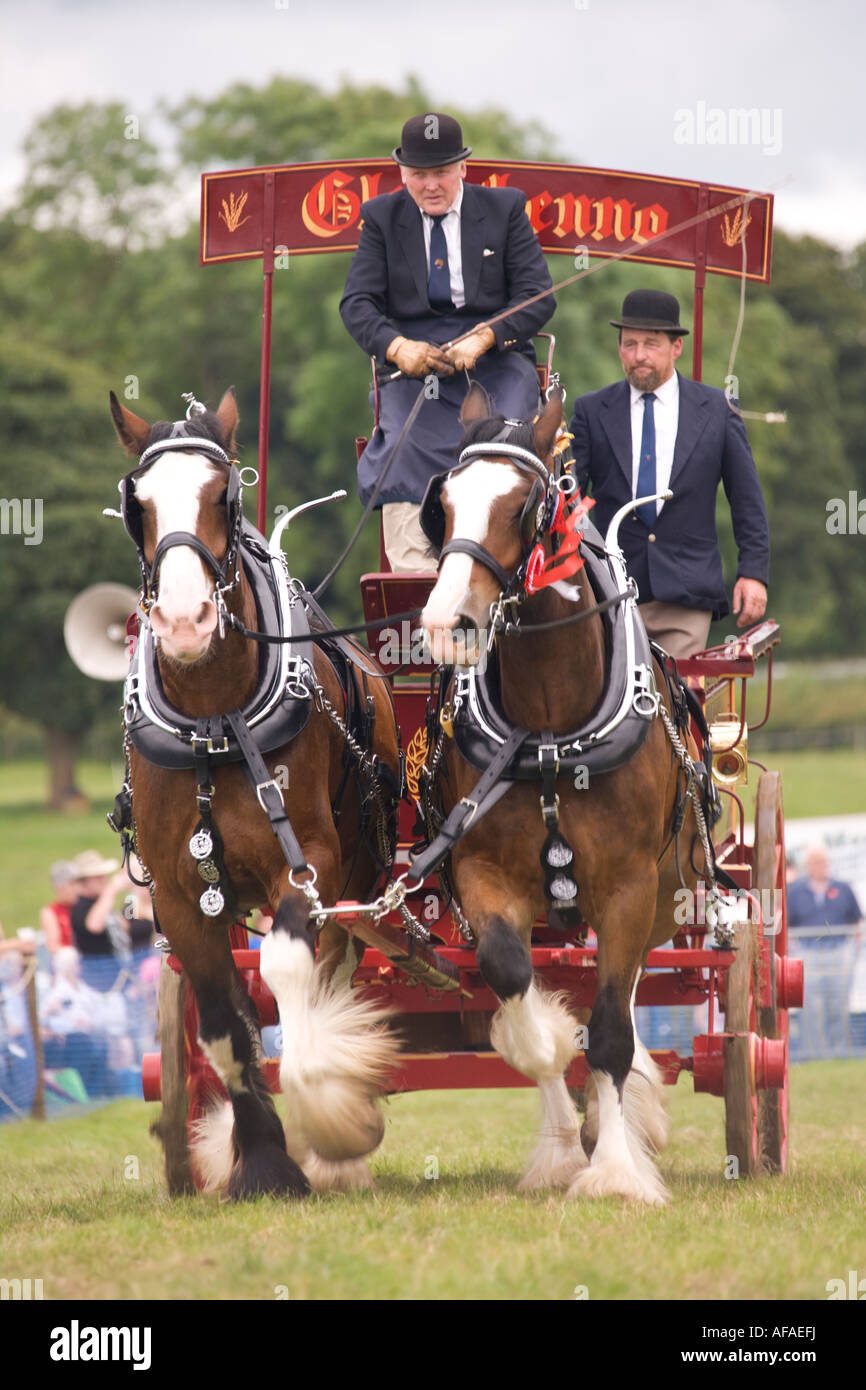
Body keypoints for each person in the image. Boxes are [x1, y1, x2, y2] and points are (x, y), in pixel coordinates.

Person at [340, 112, 555, 571]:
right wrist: (399, 347)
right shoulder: (380, 218)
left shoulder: (506, 209)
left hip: (495, 359)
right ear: (402, 173)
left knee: (505, 437)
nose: (430, 185)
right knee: (403, 442)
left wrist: (485, 337)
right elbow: (357, 304)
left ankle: (509, 563)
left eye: (441, 172)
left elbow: (537, 295)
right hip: (414, 367)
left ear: (463, 168)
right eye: (419, 174)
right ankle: (416, 576)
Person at [569, 289, 770, 659]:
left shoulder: (719, 410)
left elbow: (746, 500)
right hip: (608, 593)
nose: (639, 355)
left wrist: (753, 573)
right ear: (619, 348)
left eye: (651, 343)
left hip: (687, 593)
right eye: (629, 344)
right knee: (613, 709)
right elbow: (570, 504)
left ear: (676, 348)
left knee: (672, 705)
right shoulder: (590, 411)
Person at [787, 844, 862, 1056]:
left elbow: (857, 921)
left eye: (825, 862)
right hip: (809, 953)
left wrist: (853, 950)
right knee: (811, 1006)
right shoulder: (795, 892)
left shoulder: (843, 889)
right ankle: (814, 1054)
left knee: (838, 1003)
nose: (823, 867)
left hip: (839, 952)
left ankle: (840, 1052)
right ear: (808, 866)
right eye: (818, 863)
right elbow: (787, 925)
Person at [68, 850, 127, 991]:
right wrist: (111, 891)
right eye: (98, 877)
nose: (104, 880)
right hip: (97, 983)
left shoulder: (99, 903)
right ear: (83, 882)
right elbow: (95, 925)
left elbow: (124, 926)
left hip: (116, 978)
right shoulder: (81, 907)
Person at [39, 860, 79, 953]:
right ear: (59, 889)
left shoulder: (82, 906)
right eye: (72, 885)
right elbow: (53, 946)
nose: (77, 889)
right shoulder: (51, 912)